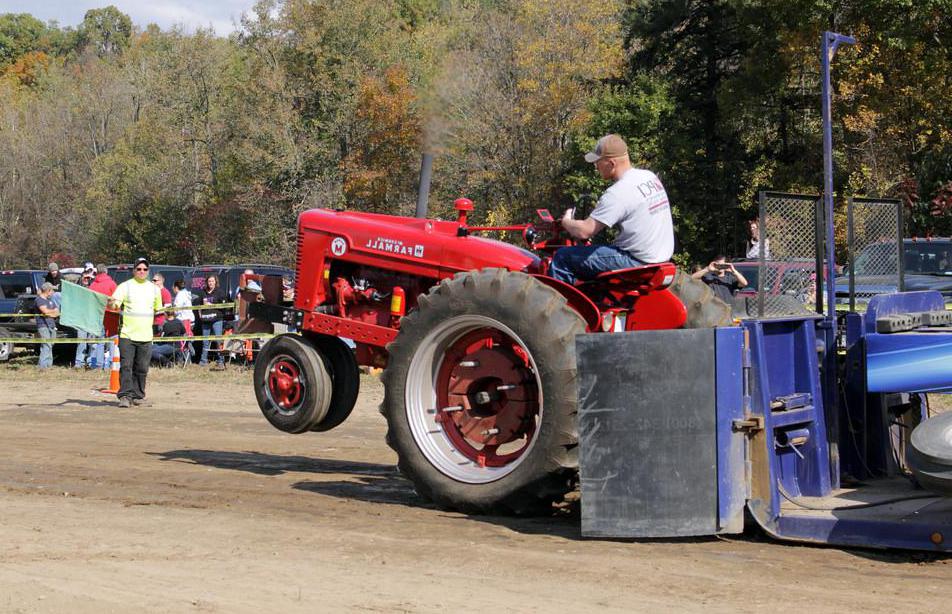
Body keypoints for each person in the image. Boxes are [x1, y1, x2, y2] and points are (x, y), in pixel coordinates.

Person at [550, 134, 674, 285]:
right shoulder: (648, 177)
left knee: (562, 257)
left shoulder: (618, 192)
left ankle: (564, 306)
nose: (595, 166)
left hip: (636, 261)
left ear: (611, 163)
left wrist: (566, 221)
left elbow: (584, 231)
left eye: (598, 162)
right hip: (661, 257)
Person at [109, 257, 162, 408]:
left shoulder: (154, 289)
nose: (142, 271)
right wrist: (112, 302)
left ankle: (138, 395)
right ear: (134, 270)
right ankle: (125, 396)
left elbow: (159, 309)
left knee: (142, 368)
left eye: (145, 269)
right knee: (126, 367)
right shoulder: (125, 286)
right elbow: (114, 305)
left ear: (148, 271)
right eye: (139, 269)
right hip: (128, 335)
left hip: (146, 336)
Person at [89, 264, 117, 370]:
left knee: (99, 341)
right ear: (106, 271)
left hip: (97, 315)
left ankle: (99, 364)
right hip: (111, 314)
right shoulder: (112, 284)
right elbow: (116, 299)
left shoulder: (92, 285)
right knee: (112, 340)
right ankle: (110, 364)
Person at [197, 274, 228, 368]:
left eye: (212, 281)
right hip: (205, 320)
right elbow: (198, 306)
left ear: (215, 282)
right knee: (205, 341)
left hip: (216, 319)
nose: (210, 283)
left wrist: (212, 305)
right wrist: (200, 316)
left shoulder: (220, 292)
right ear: (207, 282)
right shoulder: (203, 292)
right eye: (209, 281)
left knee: (218, 341)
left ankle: (220, 361)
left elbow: (224, 306)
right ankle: (203, 361)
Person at [73, 268, 98, 369]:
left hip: (92, 319)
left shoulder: (94, 287)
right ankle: (79, 363)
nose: (86, 279)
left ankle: (91, 362)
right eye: (85, 276)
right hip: (81, 319)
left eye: (89, 277)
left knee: (92, 343)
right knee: (81, 342)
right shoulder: (77, 288)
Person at [35, 282, 59, 369]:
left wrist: (50, 313)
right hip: (43, 325)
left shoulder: (51, 301)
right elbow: (45, 311)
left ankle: (48, 365)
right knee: (46, 344)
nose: (53, 292)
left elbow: (57, 312)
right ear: (48, 291)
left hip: (52, 325)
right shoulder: (39, 300)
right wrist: (51, 312)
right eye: (52, 290)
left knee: (50, 344)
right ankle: (42, 366)